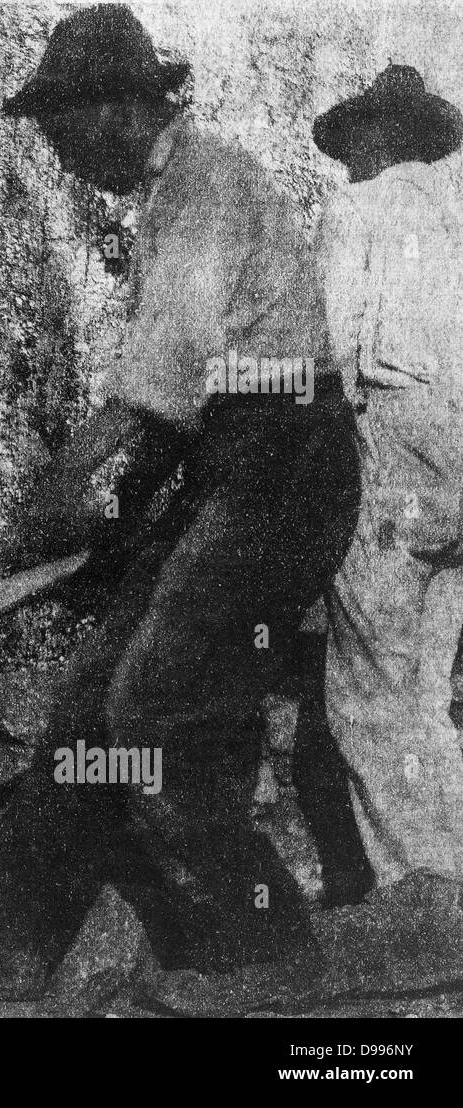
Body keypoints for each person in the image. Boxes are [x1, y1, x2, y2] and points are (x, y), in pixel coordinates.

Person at [0, 4, 361, 1007]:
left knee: (153, 708)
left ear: (117, 109)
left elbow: (167, 370)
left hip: (283, 467)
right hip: (231, 460)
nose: (59, 156)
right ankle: (7, 937)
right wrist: (114, 499)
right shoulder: (173, 193)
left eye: (61, 133)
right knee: (95, 700)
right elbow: (179, 390)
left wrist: (62, 480)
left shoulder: (208, 185)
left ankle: (265, 949)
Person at [312, 66, 463, 891]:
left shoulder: (358, 210)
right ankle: (455, 889)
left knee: (369, 695)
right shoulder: (455, 221)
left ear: (376, 137)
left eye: (352, 146)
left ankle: (422, 897)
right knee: (427, 695)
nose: (345, 164)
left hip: (394, 457)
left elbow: (328, 353)